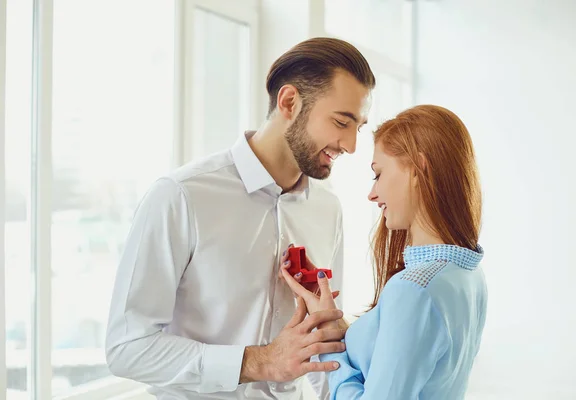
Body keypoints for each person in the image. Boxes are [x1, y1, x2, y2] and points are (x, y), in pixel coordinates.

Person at [104, 37, 375, 399]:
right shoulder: (181, 195)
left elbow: (321, 345)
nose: (351, 145)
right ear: (290, 103)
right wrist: (259, 362)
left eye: (359, 126)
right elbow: (127, 347)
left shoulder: (328, 209)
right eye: (342, 122)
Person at [281, 105, 487, 399]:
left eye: (377, 175)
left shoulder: (413, 289)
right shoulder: (468, 274)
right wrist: (336, 326)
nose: (372, 193)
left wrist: (333, 358)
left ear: (418, 169)